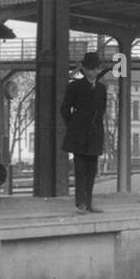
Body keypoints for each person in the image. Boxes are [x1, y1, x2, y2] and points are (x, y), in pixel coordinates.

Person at [61, 52, 107, 214]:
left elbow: (102, 110)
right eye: (89, 69)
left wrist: (93, 126)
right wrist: (74, 126)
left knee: (91, 170)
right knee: (80, 170)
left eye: (94, 69)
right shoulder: (74, 86)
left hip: (94, 135)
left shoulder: (102, 89)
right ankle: (81, 203)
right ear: (84, 69)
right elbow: (65, 109)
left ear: (98, 70)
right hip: (79, 135)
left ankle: (88, 203)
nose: (91, 72)